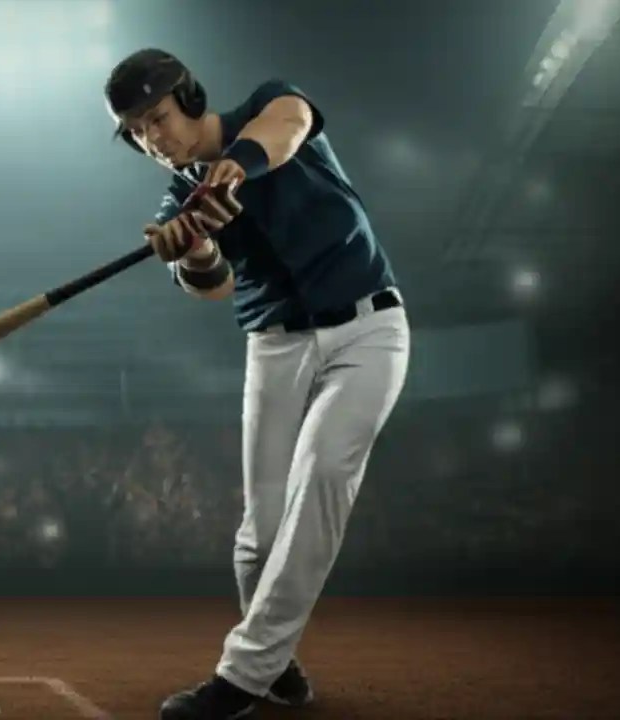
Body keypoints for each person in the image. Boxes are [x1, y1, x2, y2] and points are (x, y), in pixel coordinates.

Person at [103, 48, 411, 719]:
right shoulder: (175, 202)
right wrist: (194, 247)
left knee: (324, 473)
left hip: (368, 330)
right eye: (137, 132)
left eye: (157, 117)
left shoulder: (265, 107)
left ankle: (240, 677)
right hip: (274, 346)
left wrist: (229, 176)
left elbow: (291, 124)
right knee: (260, 532)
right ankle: (279, 662)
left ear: (190, 96)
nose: (152, 138)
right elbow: (212, 288)